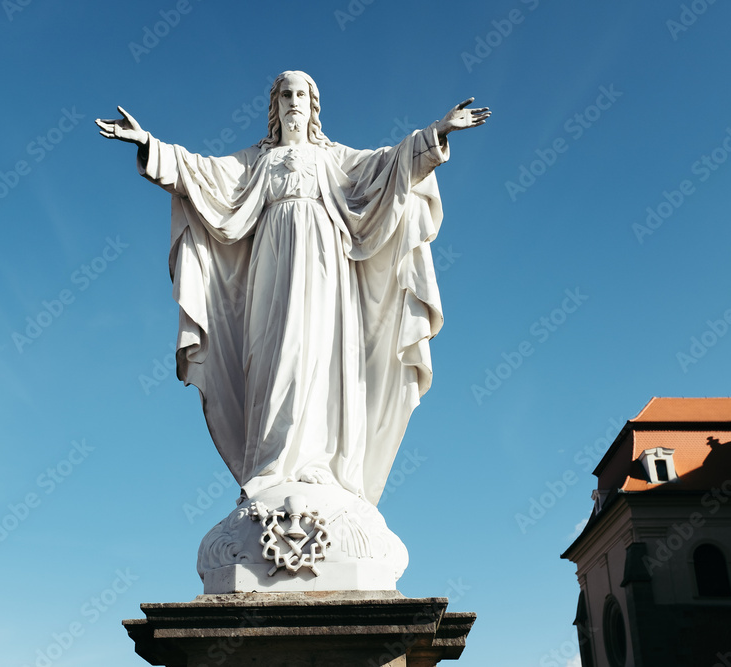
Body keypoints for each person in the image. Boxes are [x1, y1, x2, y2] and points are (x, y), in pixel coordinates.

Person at [96, 71, 489, 505]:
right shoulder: (256, 160)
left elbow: (390, 164)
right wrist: (148, 143)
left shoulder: (334, 158)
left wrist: (437, 132)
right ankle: (271, 463)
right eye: (286, 94)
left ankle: (320, 464)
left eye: (302, 94)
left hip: (326, 265)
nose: (294, 101)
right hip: (271, 265)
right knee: (273, 351)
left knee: (320, 351)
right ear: (275, 105)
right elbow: (200, 172)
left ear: (313, 105)